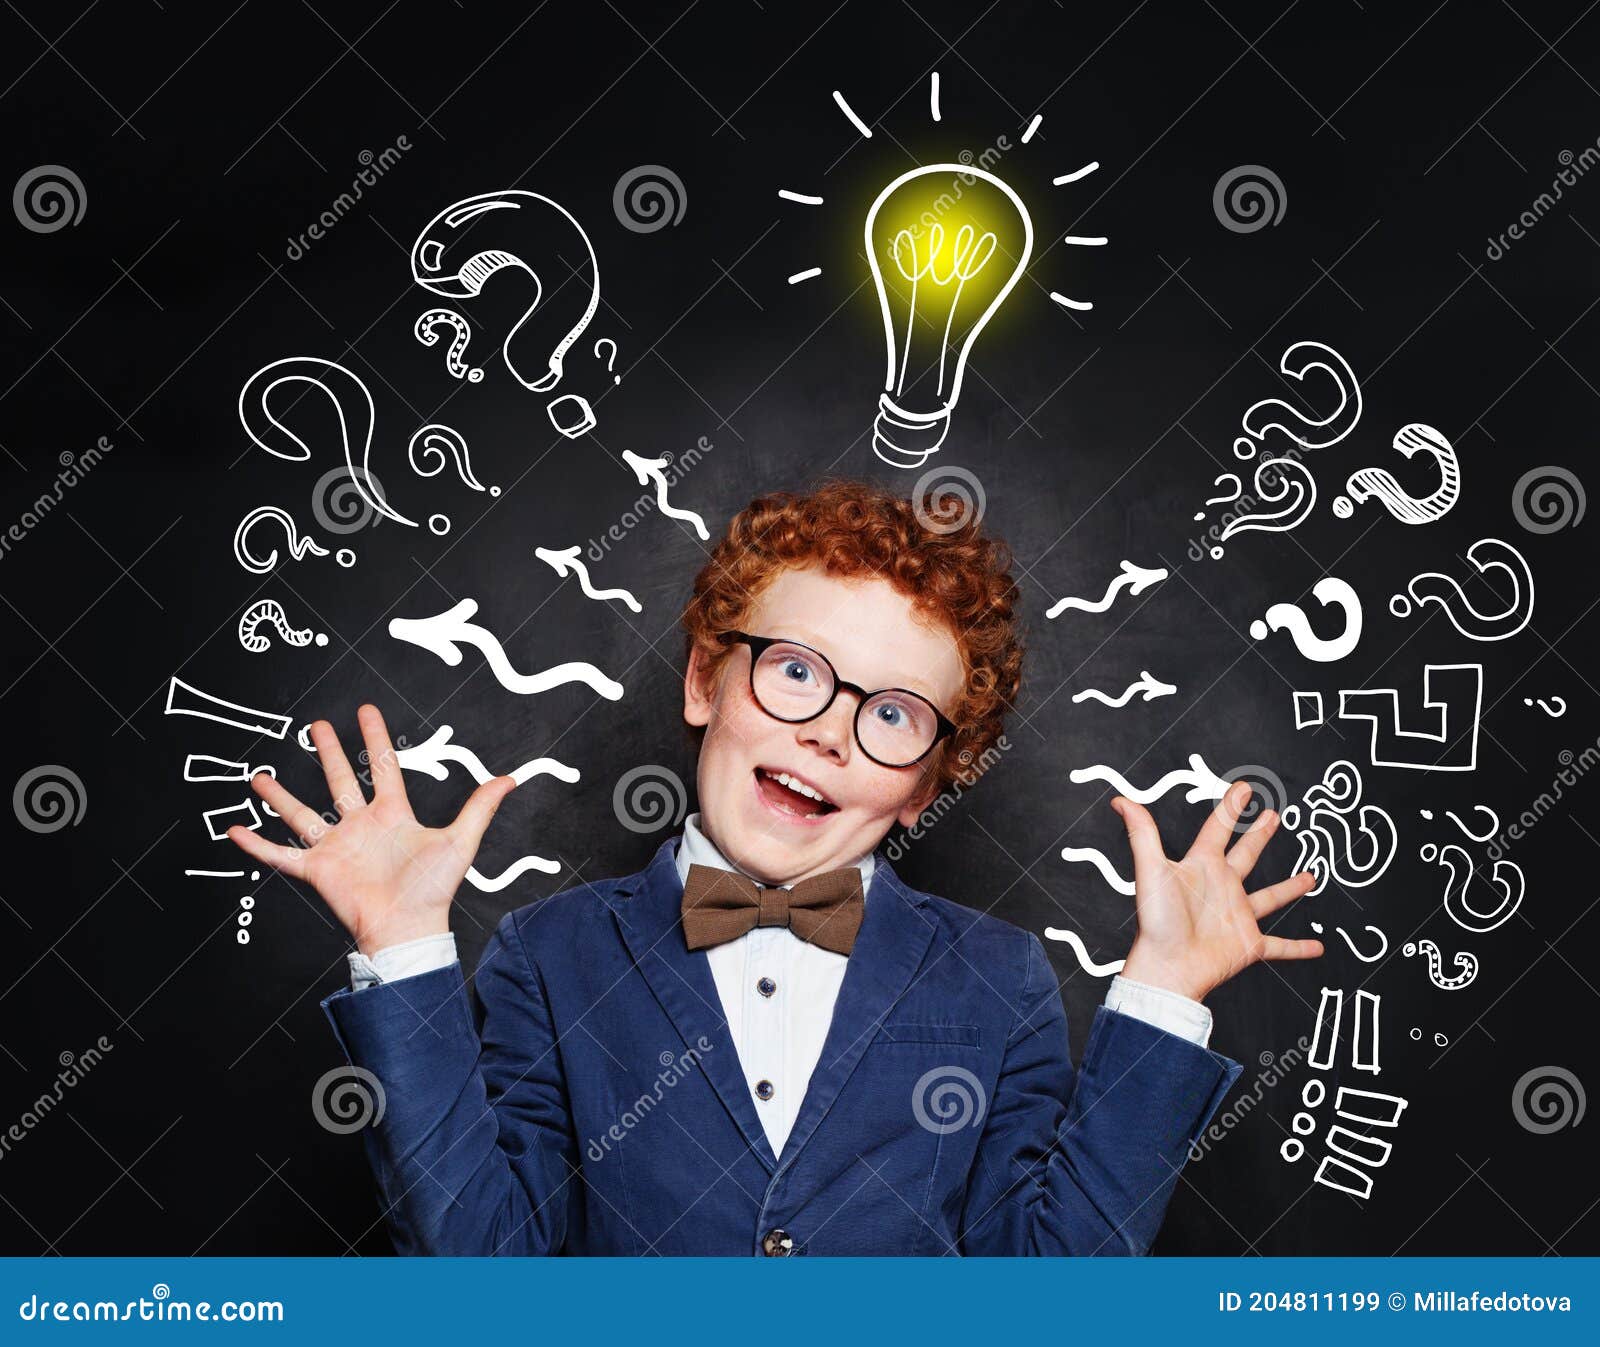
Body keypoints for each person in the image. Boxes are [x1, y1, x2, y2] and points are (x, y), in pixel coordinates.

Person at [227, 479, 1321, 1256]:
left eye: (893, 713)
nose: (829, 734)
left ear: (933, 781)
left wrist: (1163, 1000)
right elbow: (479, 1264)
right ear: (706, 680)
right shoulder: (551, 954)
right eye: (795, 672)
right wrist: (405, 953)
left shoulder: (1000, 979)